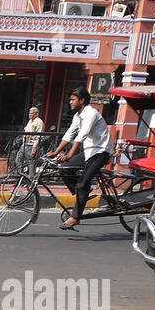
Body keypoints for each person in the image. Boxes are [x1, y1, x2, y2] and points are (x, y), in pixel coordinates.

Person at [46, 87, 110, 230]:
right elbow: (69, 134)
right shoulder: (77, 116)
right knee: (64, 169)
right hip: (87, 152)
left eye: (73, 99)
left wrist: (69, 155)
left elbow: (82, 135)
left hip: (100, 152)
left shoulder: (91, 113)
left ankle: (75, 217)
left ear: (82, 100)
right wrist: (56, 152)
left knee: (81, 185)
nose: (70, 102)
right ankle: (83, 191)